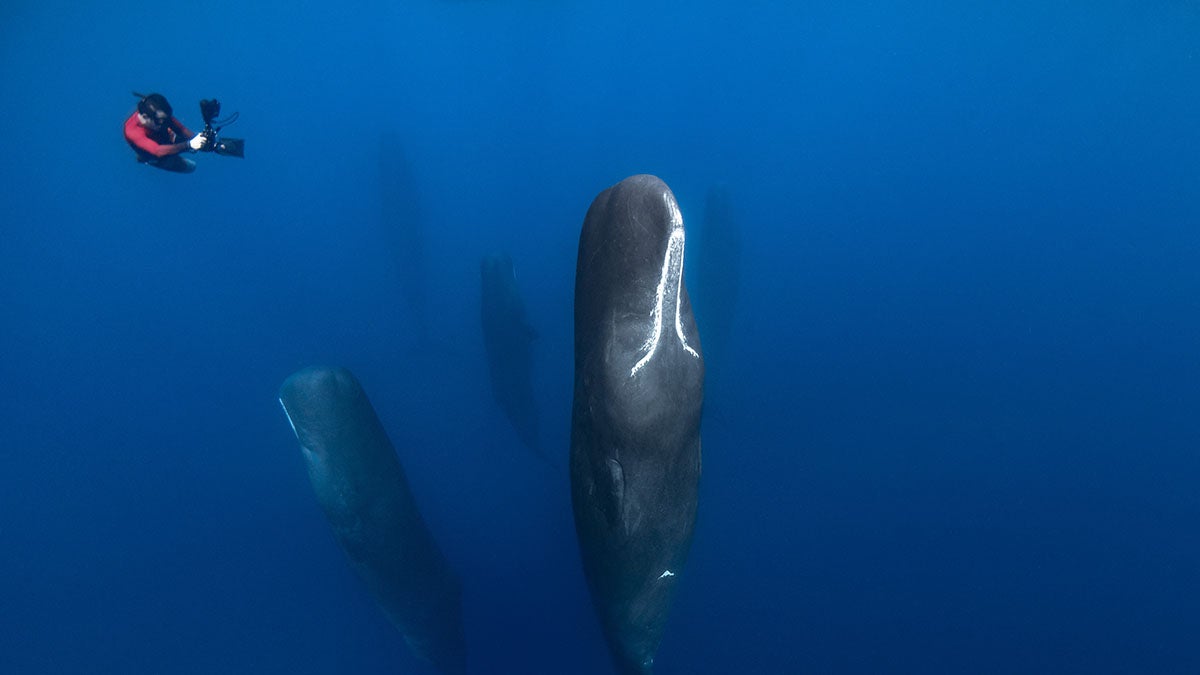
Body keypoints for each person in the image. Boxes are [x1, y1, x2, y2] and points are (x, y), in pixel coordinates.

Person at [123, 93, 207, 173]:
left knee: (199, 141)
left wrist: (198, 138)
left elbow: (181, 129)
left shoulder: (159, 117)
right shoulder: (132, 131)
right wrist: (189, 145)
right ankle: (144, 159)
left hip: (164, 137)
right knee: (190, 167)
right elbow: (157, 151)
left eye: (165, 119)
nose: (164, 122)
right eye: (160, 120)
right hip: (156, 154)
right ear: (145, 117)